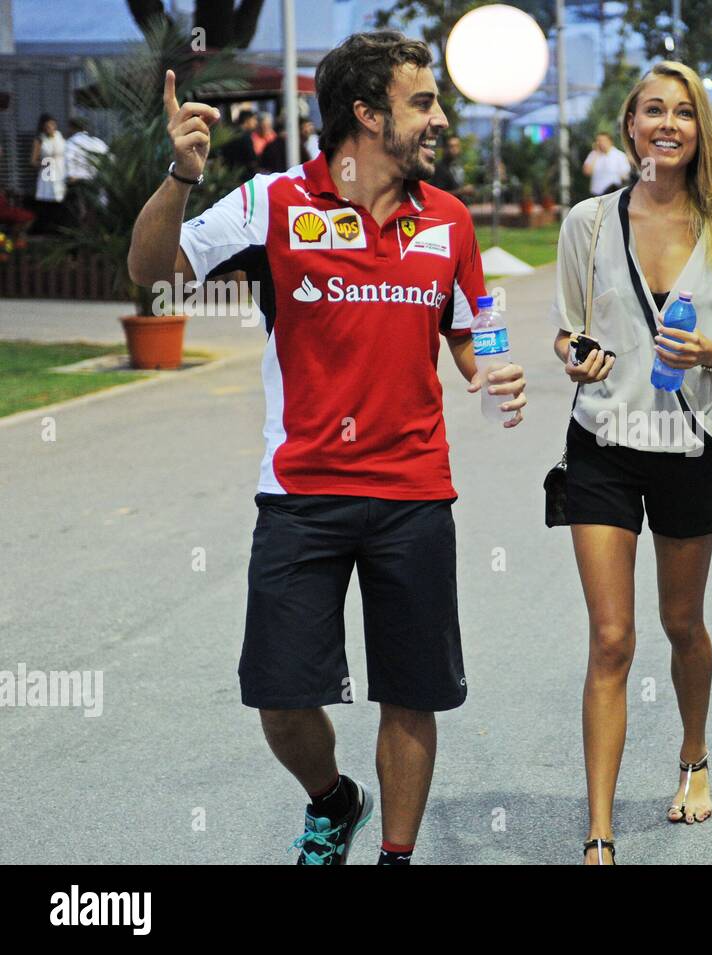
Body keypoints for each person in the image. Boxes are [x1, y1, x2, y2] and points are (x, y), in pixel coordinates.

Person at [126, 30, 528, 866]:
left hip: (415, 495)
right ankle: (333, 799)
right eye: (423, 102)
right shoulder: (273, 202)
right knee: (279, 695)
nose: (439, 119)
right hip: (300, 494)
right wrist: (183, 173)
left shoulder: (448, 221)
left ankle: (395, 856)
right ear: (367, 113)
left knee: (411, 694)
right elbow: (150, 271)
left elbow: (472, 330)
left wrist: (496, 370)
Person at [549, 60, 712, 865]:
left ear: (698, 129)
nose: (668, 124)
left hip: (689, 445)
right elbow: (566, 327)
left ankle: (693, 755)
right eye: (653, 111)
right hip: (602, 445)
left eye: (683, 112)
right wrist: (575, 355)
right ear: (631, 126)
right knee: (611, 637)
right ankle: (600, 830)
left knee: (682, 624)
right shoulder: (590, 222)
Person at [64, 117, 109, 224]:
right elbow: (109, 160)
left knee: (83, 212)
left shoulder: (71, 142)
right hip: (98, 181)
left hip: (80, 182)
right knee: (96, 210)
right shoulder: (98, 142)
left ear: (72, 128)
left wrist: (70, 177)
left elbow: (68, 161)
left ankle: (84, 235)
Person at [29, 114, 68, 234]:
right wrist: (44, 163)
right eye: (46, 126)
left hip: (61, 171)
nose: (50, 128)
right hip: (47, 171)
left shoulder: (60, 137)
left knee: (61, 199)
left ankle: (59, 229)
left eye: (52, 125)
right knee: (47, 201)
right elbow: (32, 161)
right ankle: (45, 229)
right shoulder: (40, 139)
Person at [429, 134, 475, 205]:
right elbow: (437, 193)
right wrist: (462, 191)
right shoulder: (440, 168)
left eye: (457, 146)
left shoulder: (459, 165)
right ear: (445, 148)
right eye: (451, 146)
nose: (454, 149)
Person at [583, 131, 632, 196]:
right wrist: (596, 154)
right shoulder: (593, 154)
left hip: (613, 194)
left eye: (602, 140)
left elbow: (625, 176)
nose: (600, 143)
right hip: (596, 195)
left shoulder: (619, 155)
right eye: (598, 141)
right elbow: (587, 172)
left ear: (610, 141)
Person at [219, 110, 259, 178]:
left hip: (230, 176)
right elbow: (251, 159)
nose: (256, 123)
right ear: (247, 120)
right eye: (254, 119)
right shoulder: (245, 137)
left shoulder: (230, 134)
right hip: (245, 177)